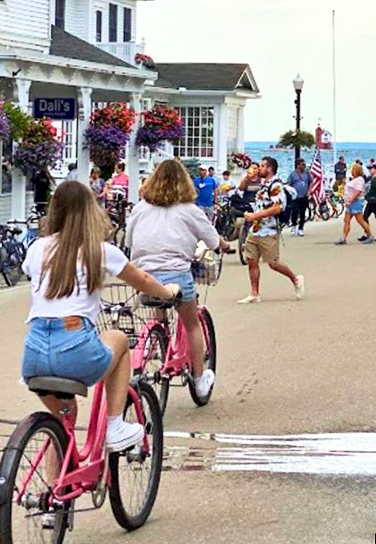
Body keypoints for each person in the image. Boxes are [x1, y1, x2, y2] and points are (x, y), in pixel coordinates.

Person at [21, 180, 179, 452]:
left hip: (34, 354)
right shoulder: (101, 251)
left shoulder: (37, 248)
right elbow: (140, 279)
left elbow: (31, 272)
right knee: (118, 340)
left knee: (62, 424)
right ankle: (115, 426)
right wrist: (167, 292)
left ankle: (57, 491)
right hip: (74, 347)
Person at [126, 159, 228, 399]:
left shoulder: (141, 208)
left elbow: (129, 241)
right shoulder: (190, 210)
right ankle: (201, 379)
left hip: (143, 276)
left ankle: (156, 344)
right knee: (192, 323)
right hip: (176, 275)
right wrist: (224, 245)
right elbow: (213, 240)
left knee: (158, 311)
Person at [238, 156, 304, 304]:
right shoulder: (263, 185)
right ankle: (254, 293)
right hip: (255, 229)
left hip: (268, 230)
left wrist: (256, 215)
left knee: (273, 263)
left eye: (262, 166)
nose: (259, 168)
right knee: (251, 261)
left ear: (269, 169)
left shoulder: (275, 186)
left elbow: (277, 208)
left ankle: (295, 279)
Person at [335, 163, 371, 246]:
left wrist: (350, 199)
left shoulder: (360, 179)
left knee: (360, 220)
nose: (351, 171)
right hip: (350, 203)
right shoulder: (354, 179)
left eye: (353, 170)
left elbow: (358, 191)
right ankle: (343, 238)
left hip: (356, 202)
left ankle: (370, 236)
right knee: (346, 220)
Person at [287, 159, 310, 237]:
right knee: (295, 212)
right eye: (302, 164)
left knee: (303, 213)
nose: (304, 166)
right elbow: (289, 184)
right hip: (295, 197)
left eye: (304, 164)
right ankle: (293, 226)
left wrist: (309, 191)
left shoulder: (307, 173)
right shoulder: (293, 174)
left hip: (304, 196)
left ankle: (301, 228)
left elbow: (311, 182)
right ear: (298, 165)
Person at [359, 164, 376, 242]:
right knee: (364, 217)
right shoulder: (371, 179)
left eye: (371, 169)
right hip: (370, 202)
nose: (370, 170)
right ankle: (368, 234)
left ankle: (369, 236)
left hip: (375, 202)